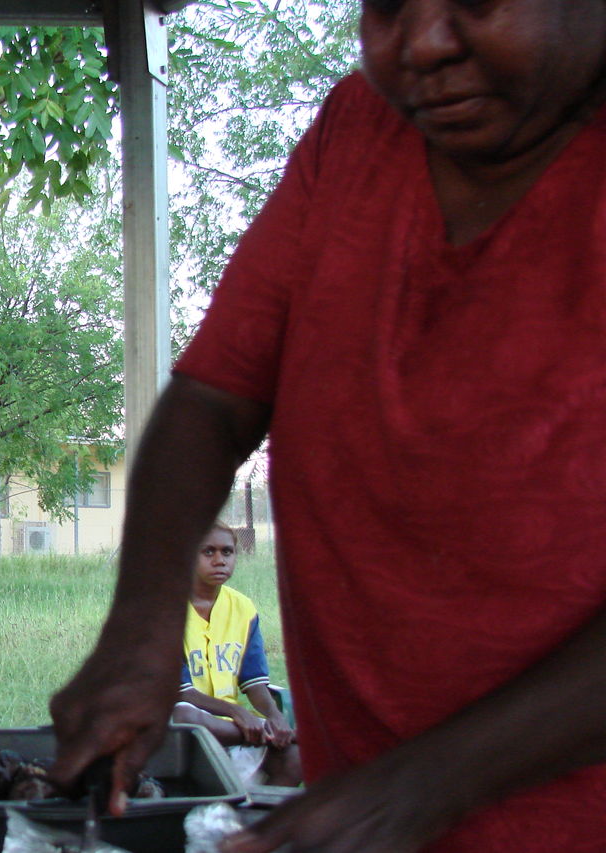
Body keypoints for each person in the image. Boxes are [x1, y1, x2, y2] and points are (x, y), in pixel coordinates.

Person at [48, 1, 606, 851]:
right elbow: (212, 399)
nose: (422, 43)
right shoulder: (358, 128)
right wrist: (142, 626)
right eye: (386, 6)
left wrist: (421, 786)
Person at [170, 521, 300, 787]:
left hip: (229, 728)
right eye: (208, 552)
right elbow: (181, 692)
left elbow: (254, 683)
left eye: (227, 552)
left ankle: (252, 813)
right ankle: (265, 734)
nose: (220, 560)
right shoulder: (164, 609)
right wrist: (239, 714)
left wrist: (275, 717)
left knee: (294, 758)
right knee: (184, 717)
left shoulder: (243, 608)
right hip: (180, 729)